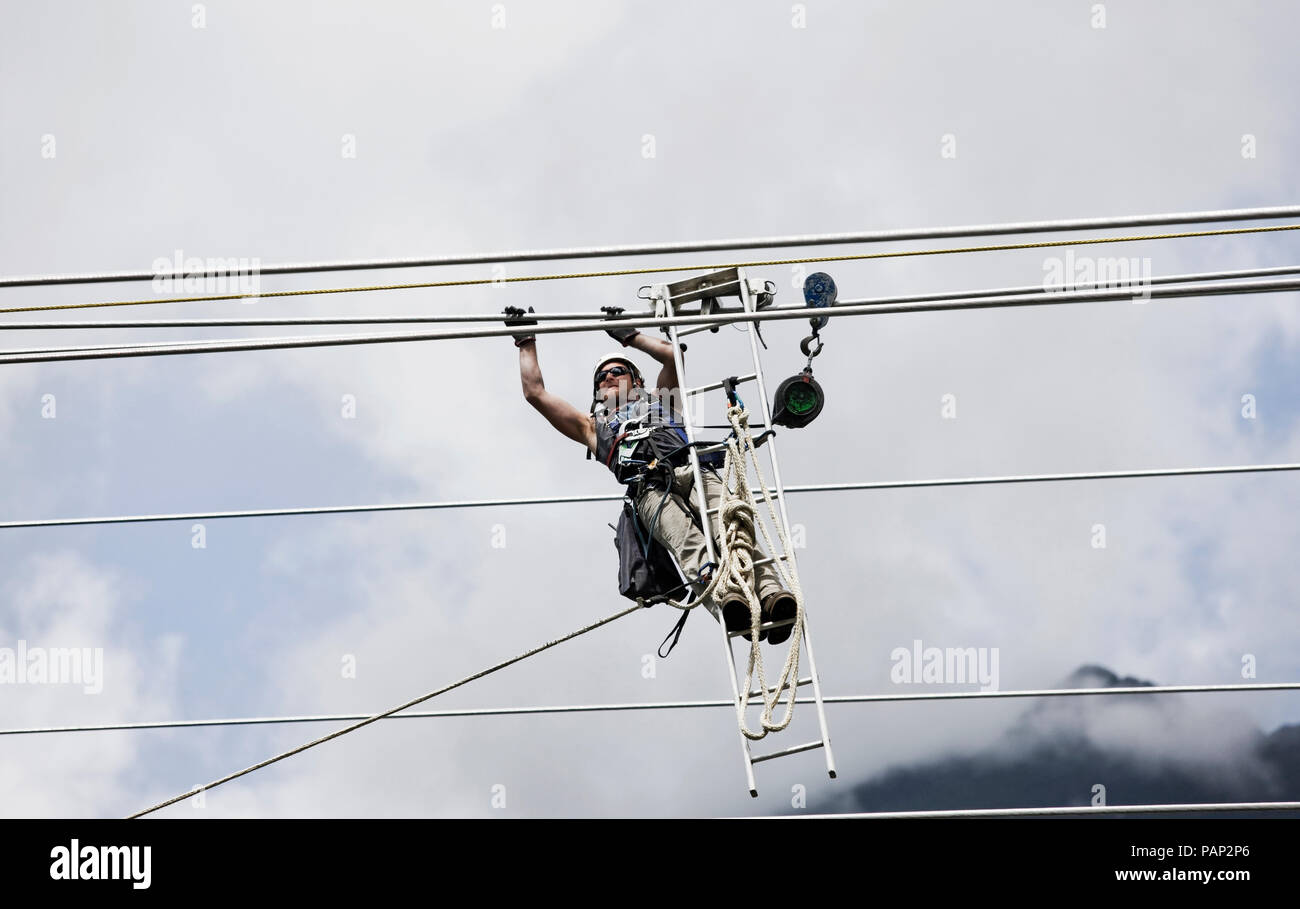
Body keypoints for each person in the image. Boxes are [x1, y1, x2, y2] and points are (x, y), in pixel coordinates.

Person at [503, 305, 798, 645]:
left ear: (637, 381)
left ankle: (772, 594)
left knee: (732, 530)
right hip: (649, 492)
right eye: (602, 378)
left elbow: (673, 356)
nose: (608, 377)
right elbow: (535, 394)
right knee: (690, 546)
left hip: (693, 470)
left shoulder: (664, 402)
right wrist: (526, 341)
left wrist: (632, 337)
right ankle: (730, 603)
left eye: (618, 371)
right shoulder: (592, 428)